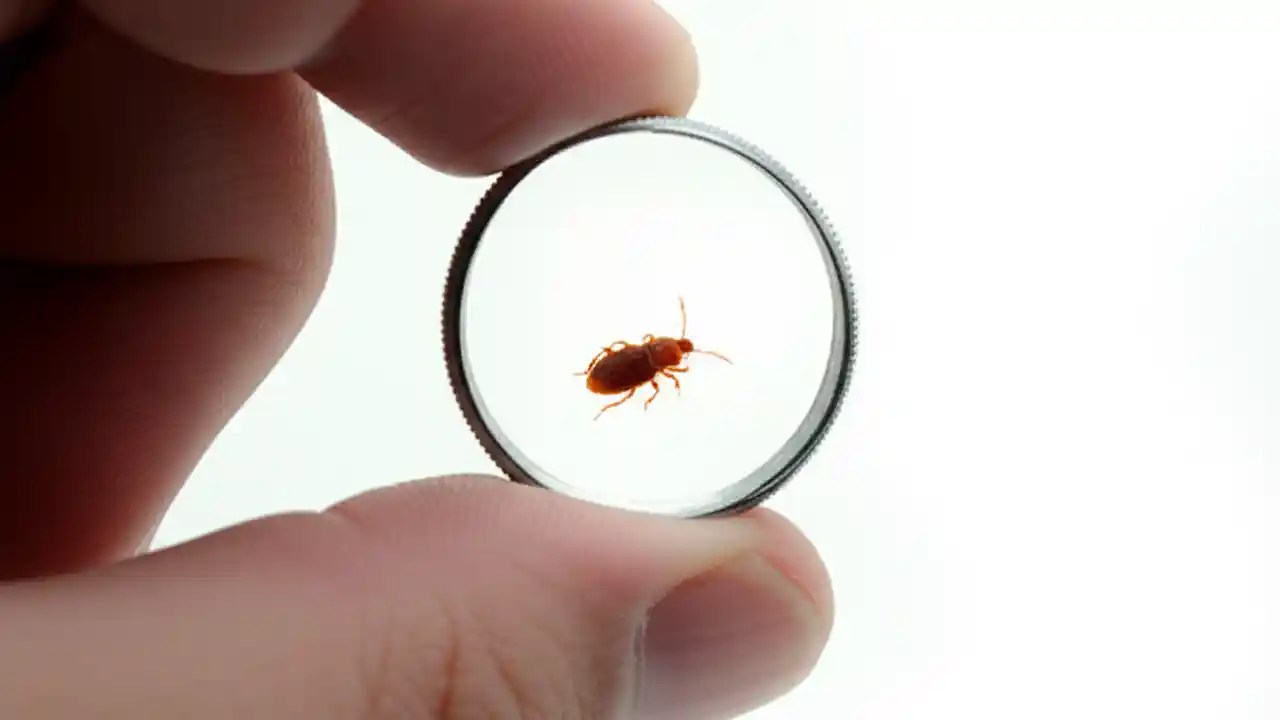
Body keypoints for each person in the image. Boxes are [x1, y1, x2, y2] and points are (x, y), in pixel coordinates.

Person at [0, 1, 833, 717]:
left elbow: (625, 365)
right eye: (673, 342)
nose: (669, 346)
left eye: (675, 345)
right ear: (665, 343)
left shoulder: (649, 356)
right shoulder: (648, 353)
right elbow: (624, 360)